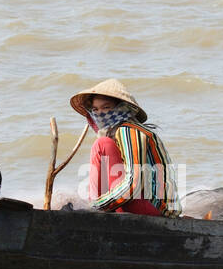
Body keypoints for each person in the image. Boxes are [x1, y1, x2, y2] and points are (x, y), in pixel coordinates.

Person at [70, 79, 180, 217]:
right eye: (95, 109)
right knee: (104, 143)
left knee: (102, 144)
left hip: (156, 208)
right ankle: (96, 206)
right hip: (148, 204)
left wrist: (97, 206)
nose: (100, 114)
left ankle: (95, 210)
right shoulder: (121, 132)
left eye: (106, 108)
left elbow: (133, 185)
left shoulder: (128, 131)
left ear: (121, 108)